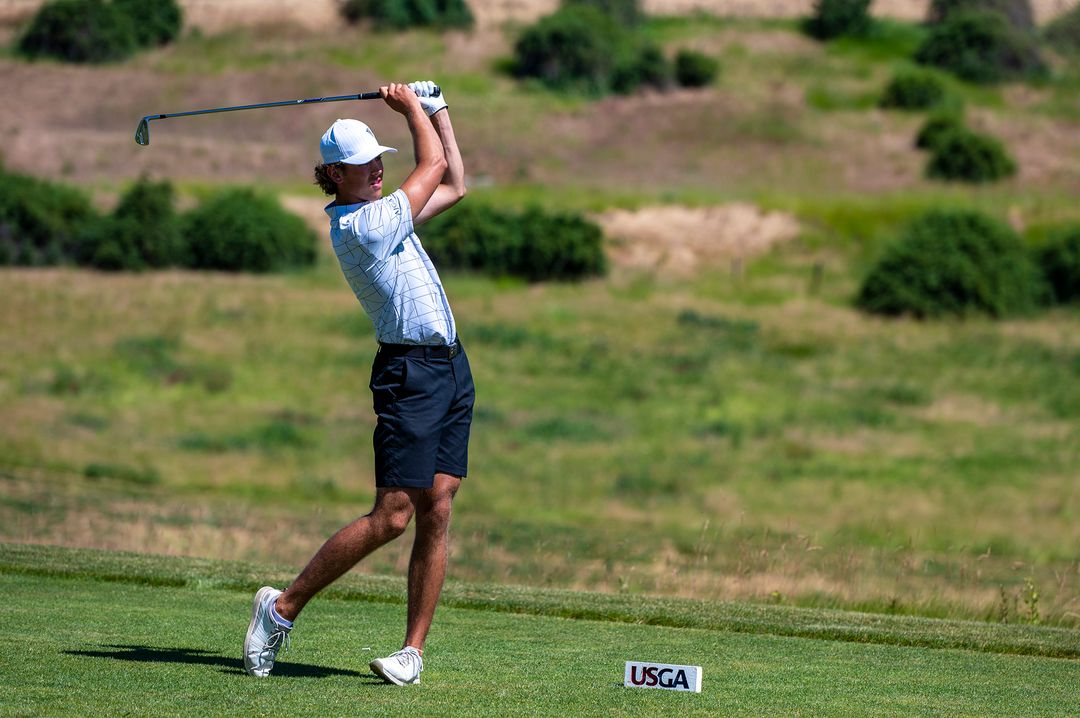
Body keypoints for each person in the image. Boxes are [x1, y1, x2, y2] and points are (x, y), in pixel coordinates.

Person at [243, 80, 473, 686]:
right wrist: (413, 110)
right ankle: (281, 607)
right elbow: (431, 165)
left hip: (450, 365)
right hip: (409, 374)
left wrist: (440, 111)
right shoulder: (362, 225)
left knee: (439, 506)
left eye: (377, 162)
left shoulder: (384, 212)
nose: (374, 171)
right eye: (361, 166)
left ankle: (411, 654)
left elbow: (454, 184)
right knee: (393, 515)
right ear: (334, 176)